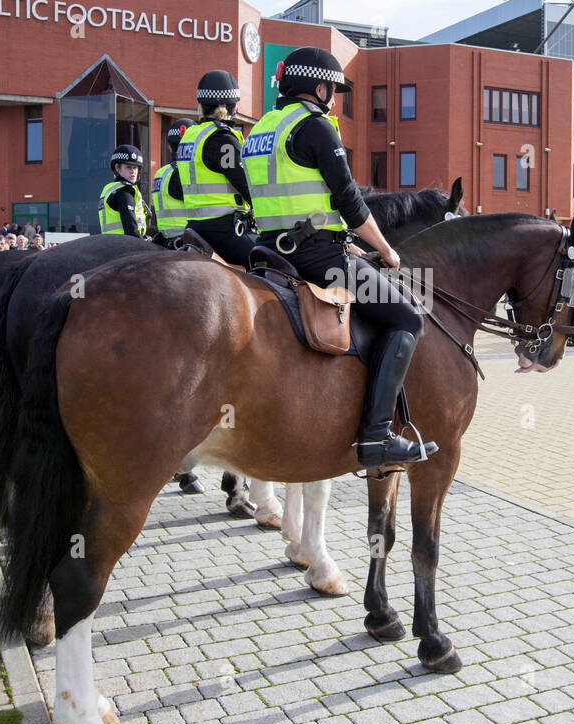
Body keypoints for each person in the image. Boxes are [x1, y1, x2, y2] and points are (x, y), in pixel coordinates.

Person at [244, 45, 435, 469]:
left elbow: (292, 201)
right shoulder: (315, 126)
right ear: (319, 87)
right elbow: (349, 199)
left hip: (271, 251)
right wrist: (385, 249)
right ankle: (375, 437)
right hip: (318, 259)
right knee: (408, 318)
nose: (334, 99)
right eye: (333, 90)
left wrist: (345, 239)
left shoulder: (259, 130)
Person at [176, 70, 257, 267]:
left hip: (194, 229)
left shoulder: (190, 138)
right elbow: (247, 185)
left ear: (201, 104)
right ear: (233, 106)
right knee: (275, 260)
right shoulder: (222, 139)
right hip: (225, 234)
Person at [151, 118, 196, 246]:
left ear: (170, 147)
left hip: (165, 240)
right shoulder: (183, 173)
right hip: (187, 242)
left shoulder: (161, 172)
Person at [97, 144, 149, 239]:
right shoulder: (124, 192)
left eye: (135, 167)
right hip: (124, 245)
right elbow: (130, 228)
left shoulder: (110, 189)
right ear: (117, 168)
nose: (133, 171)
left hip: (110, 242)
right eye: (128, 167)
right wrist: (141, 242)